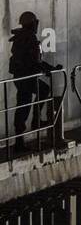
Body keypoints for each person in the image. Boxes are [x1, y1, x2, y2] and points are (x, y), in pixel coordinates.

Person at [8, 11, 61, 150]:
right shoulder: (29, 38)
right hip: (26, 78)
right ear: (32, 24)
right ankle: (36, 121)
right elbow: (34, 61)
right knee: (40, 92)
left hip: (21, 77)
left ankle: (20, 141)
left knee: (23, 107)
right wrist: (48, 69)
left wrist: (49, 68)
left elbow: (34, 60)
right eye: (35, 23)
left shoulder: (21, 37)